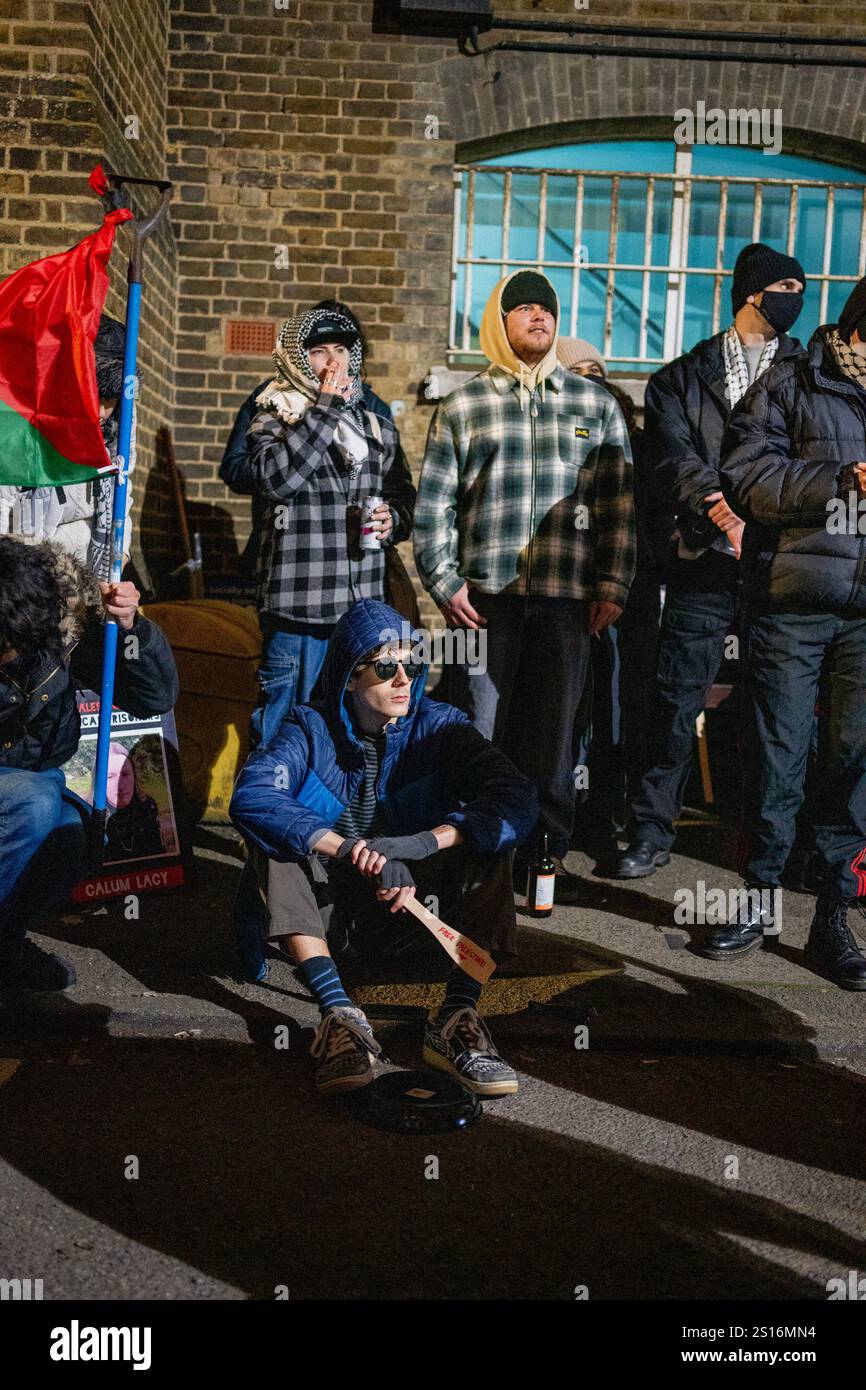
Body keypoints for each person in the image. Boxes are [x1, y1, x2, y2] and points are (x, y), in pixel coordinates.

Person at [229, 598, 538, 1096]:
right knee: (276, 842)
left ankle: (457, 1017)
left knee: (491, 837)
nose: (403, 680)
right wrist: (353, 850)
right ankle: (340, 1018)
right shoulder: (309, 727)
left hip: (420, 915)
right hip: (338, 918)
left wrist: (420, 844)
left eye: (412, 664)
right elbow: (252, 796)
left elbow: (516, 797)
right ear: (351, 676)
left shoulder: (441, 725)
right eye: (386, 666)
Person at [413, 270, 635, 901]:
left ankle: (544, 855)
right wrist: (443, 578)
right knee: (479, 730)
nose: (539, 317)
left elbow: (619, 507)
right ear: (500, 322)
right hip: (484, 605)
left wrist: (613, 584)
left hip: (568, 604)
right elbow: (435, 508)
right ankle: (475, 856)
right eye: (524, 308)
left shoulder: (596, 407)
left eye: (547, 309)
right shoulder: (464, 405)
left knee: (555, 738)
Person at [614, 243, 807, 880]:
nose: (797, 298)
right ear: (752, 293)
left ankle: (762, 844)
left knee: (775, 711)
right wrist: (722, 514)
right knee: (675, 700)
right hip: (704, 562)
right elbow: (671, 458)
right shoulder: (680, 378)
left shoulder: (807, 375)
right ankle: (650, 828)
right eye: (786, 285)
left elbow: (806, 462)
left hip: (782, 567)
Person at [704, 276, 866, 988]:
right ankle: (759, 899)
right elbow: (748, 474)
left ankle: (834, 913)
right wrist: (841, 480)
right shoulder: (795, 378)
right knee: (780, 753)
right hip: (796, 600)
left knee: (853, 765)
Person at [0, 536, 179, 990]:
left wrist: (130, 627)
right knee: (36, 801)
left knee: (68, 831)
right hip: (24, 790)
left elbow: (153, 698)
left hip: (32, 781)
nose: (12, 653)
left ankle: (6, 944)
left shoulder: (56, 629)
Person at [558, 339, 673, 855]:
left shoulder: (633, 441)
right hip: (566, 594)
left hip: (628, 596)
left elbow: (646, 520)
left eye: (597, 371)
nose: (590, 379)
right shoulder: (552, 434)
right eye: (577, 371)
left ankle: (603, 815)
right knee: (565, 712)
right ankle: (560, 819)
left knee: (615, 711)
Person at [220, 299, 397, 588]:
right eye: (319, 350)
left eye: (341, 349)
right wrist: (293, 469)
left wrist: (394, 519)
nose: (333, 362)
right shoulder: (273, 401)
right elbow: (234, 469)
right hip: (290, 559)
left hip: (358, 570)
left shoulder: (373, 410)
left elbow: (395, 488)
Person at [0, 314, 136, 577]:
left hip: (92, 568)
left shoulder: (119, 424)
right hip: (29, 571)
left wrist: (121, 554)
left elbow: (122, 484)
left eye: (109, 399)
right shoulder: (23, 427)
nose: (100, 411)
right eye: (92, 396)